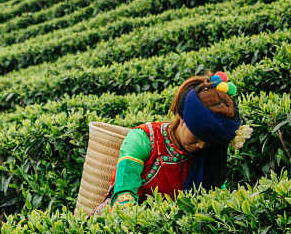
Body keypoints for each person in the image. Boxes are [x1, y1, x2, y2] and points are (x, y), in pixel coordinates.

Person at [97, 71, 251, 211]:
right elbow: (125, 192)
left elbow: (217, 197)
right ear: (183, 118)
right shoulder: (142, 139)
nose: (201, 146)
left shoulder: (210, 155)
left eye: (209, 142)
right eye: (197, 137)